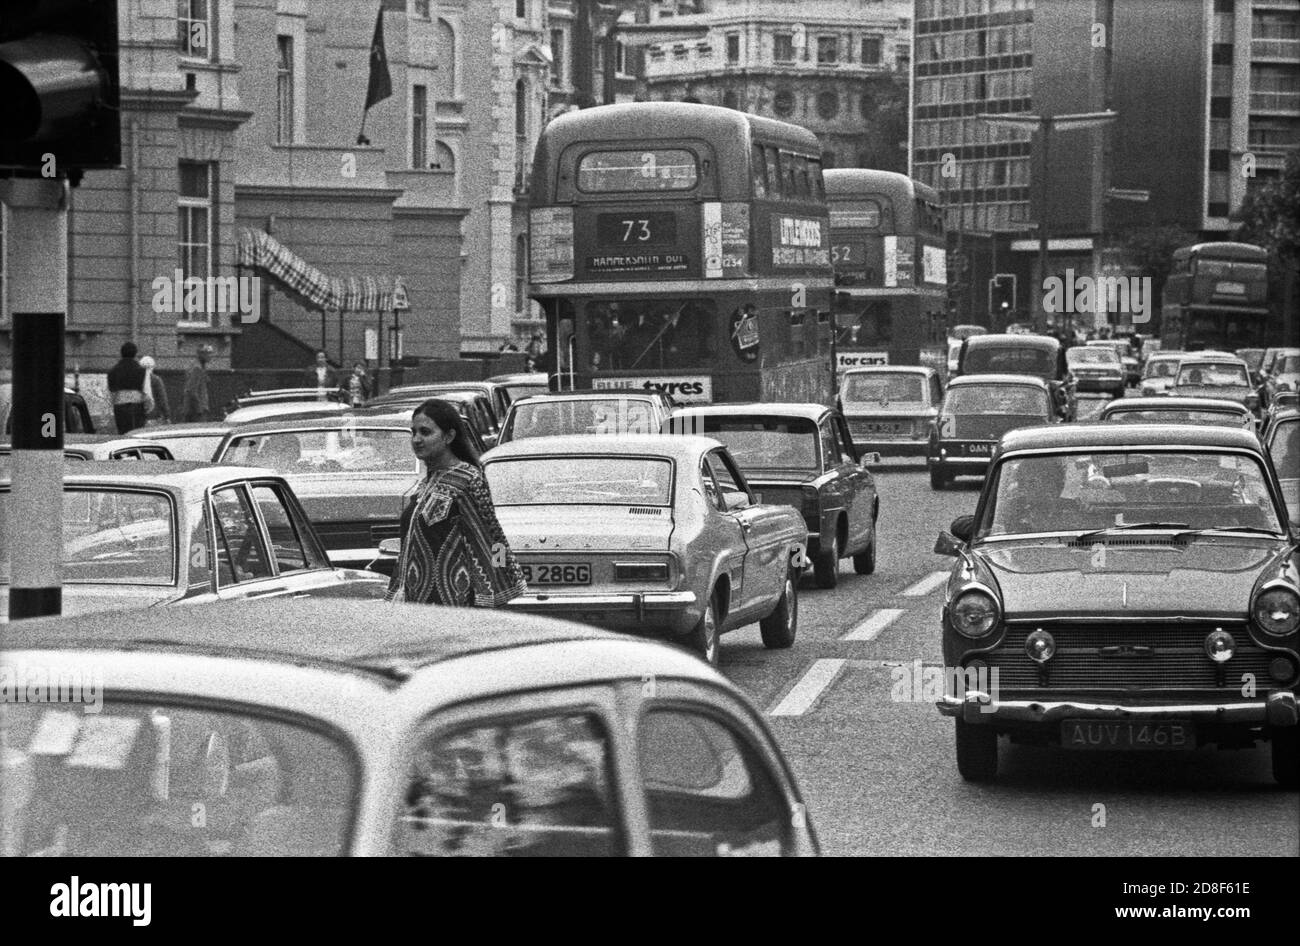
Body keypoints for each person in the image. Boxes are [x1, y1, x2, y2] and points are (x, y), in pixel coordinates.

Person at [386, 399, 527, 607]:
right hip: (415, 608)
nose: (416, 439)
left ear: (449, 436)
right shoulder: (425, 484)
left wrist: (499, 587)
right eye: (413, 432)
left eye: (425, 432)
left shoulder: (468, 480)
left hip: (453, 609)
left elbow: (492, 537)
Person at [107, 342, 148, 434]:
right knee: (138, 433)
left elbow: (111, 390)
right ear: (135, 353)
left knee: (123, 433)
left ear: (121, 353)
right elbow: (146, 390)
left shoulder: (113, 370)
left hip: (120, 405)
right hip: (137, 405)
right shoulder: (141, 370)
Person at [182, 345, 213, 422]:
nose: (211, 356)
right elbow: (191, 390)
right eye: (208, 353)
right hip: (196, 411)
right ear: (201, 354)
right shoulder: (197, 368)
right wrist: (199, 409)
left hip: (194, 409)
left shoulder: (199, 366)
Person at [138, 356, 171, 426]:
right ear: (152, 367)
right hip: (154, 417)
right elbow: (162, 399)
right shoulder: (156, 380)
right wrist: (167, 415)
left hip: (139, 418)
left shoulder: (135, 380)